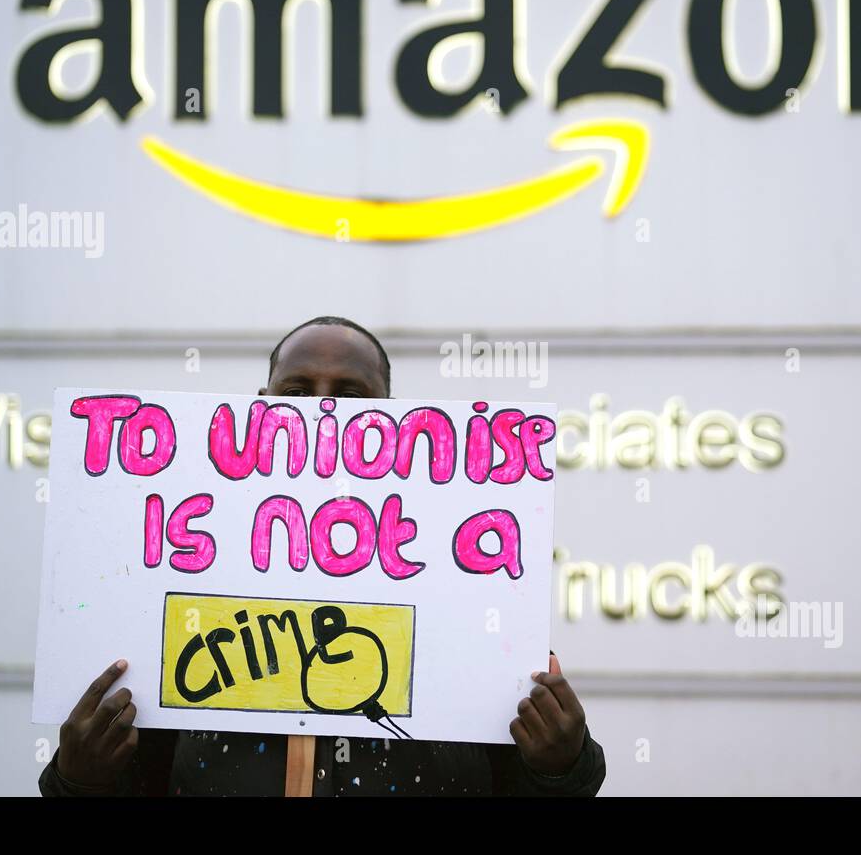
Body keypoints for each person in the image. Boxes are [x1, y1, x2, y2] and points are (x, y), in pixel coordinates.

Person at [38, 316, 606, 796]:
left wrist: (560, 762)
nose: (323, 411)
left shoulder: (460, 584)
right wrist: (80, 778)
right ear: (261, 407)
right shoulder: (185, 570)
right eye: (299, 390)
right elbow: (137, 774)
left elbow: (527, 778)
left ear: (392, 415)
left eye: (350, 394)